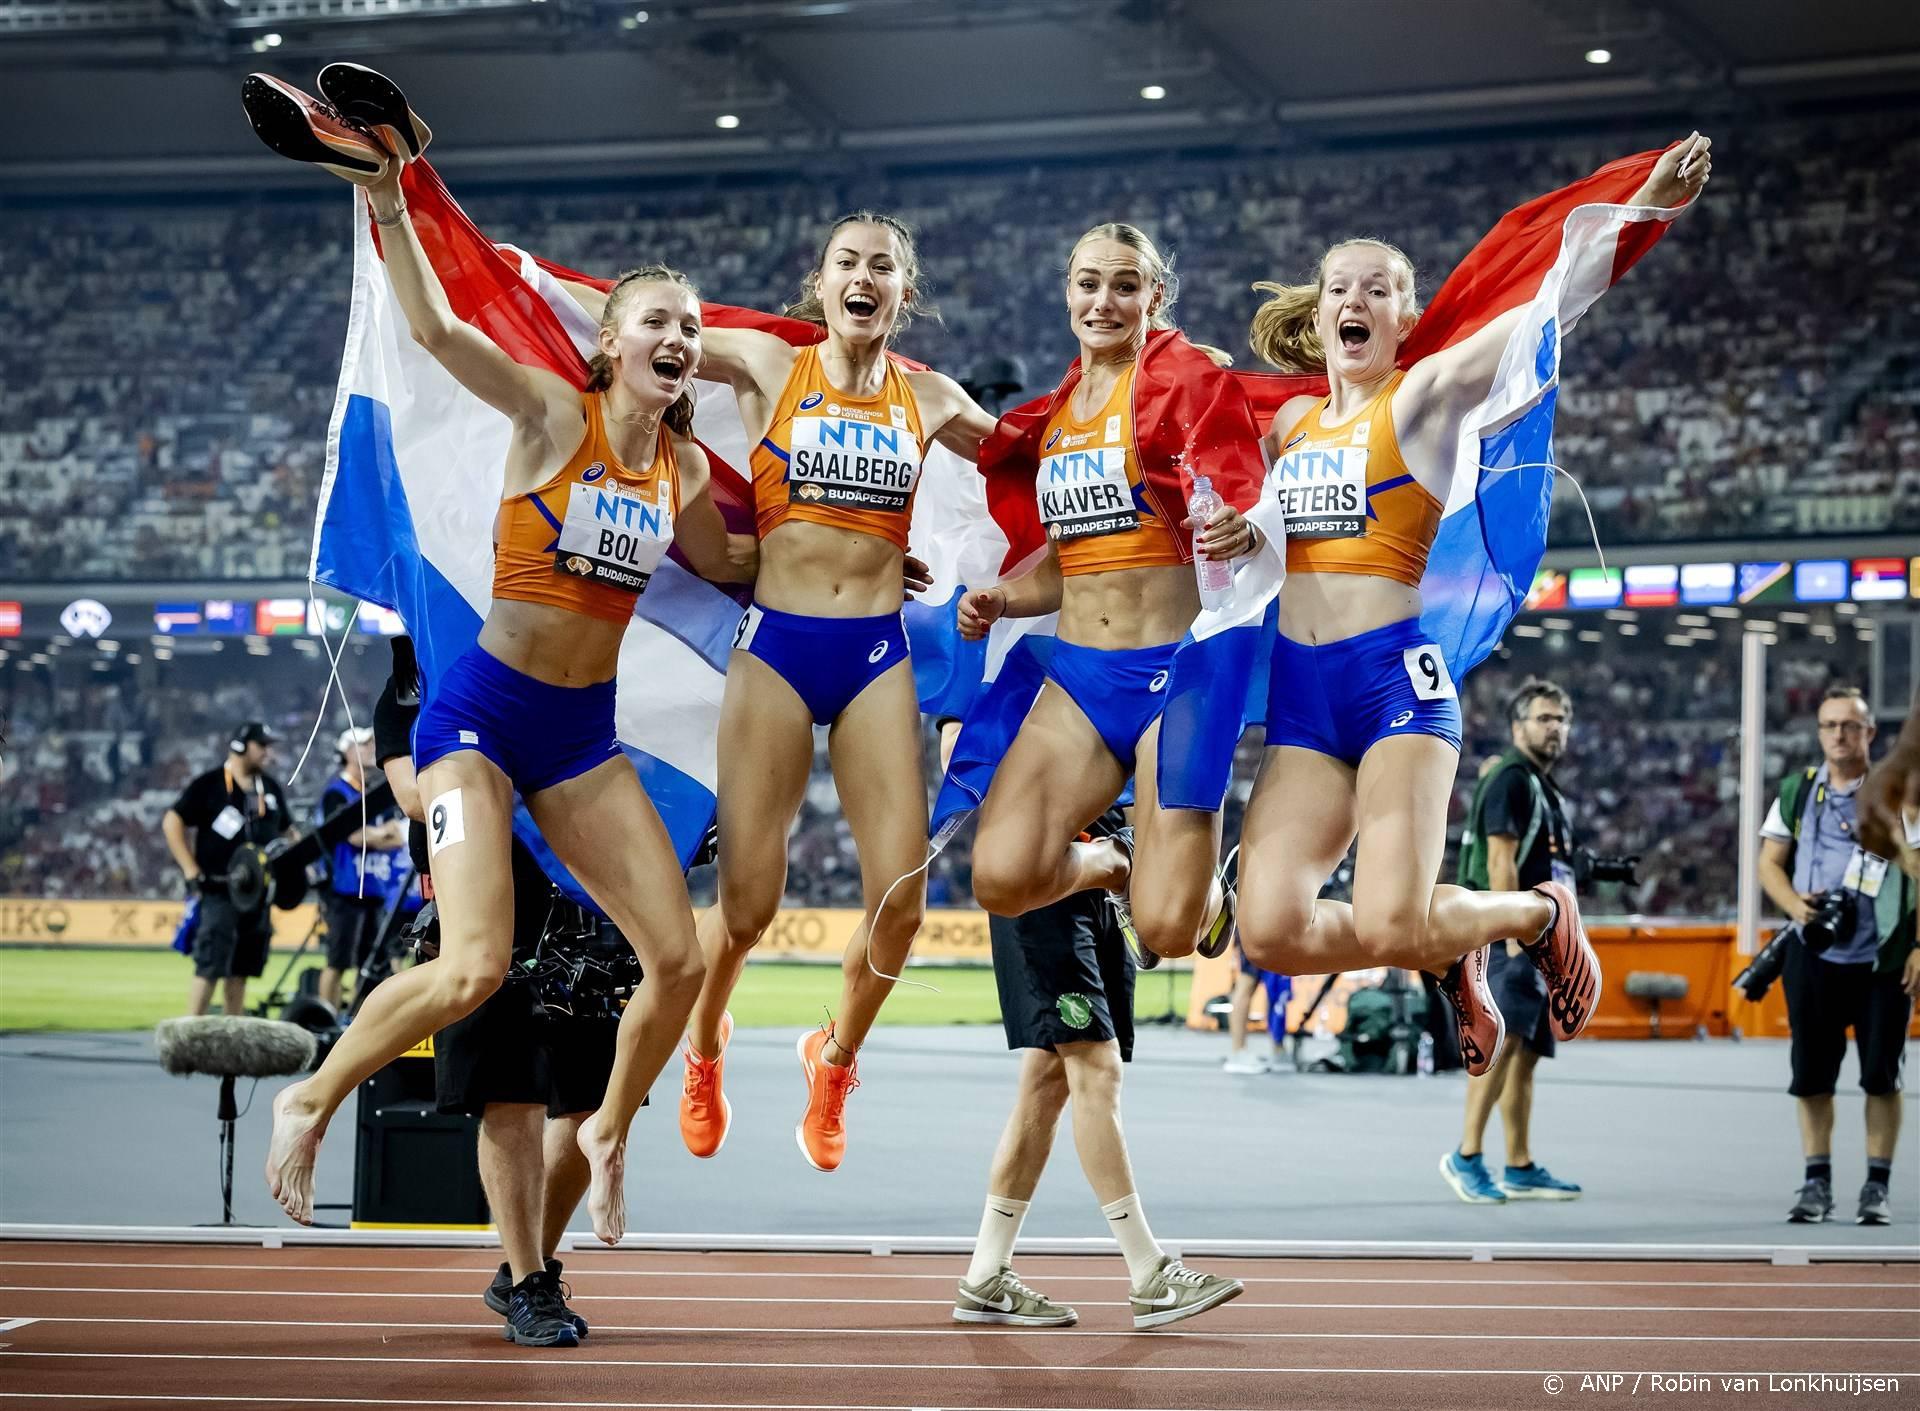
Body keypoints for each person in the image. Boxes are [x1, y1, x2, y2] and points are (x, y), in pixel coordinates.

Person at [252, 71, 747, 1240]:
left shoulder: (678, 473)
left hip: (582, 739)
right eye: (656, 322)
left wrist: (872, 564)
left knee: (676, 956)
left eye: (689, 325)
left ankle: (614, 1124)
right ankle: (311, 1096)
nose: (676, 338)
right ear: (610, 343)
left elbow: (731, 568)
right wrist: (388, 204)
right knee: (473, 967)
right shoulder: (549, 416)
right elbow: (431, 328)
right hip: (478, 722)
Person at [1232, 134, 1713, 1075]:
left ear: (1408, 316)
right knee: (1273, 930)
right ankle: (1451, 942)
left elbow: (1546, 306)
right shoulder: (1285, 423)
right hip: (1302, 700)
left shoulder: (1423, 397)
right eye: (1340, 287)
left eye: (1377, 288)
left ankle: (1535, 910)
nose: (1355, 301)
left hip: (1393, 693)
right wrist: (1233, 537)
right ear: (1319, 309)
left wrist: (1639, 210)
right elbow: (1239, 507)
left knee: (1391, 919)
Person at [569, 212, 997, 1172]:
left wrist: (1156, 406)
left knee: (904, 896)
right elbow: (651, 335)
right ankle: (706, 1042)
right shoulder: (767, 362)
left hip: (875, 656)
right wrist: (560, 304)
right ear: (821, 280)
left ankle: (833, 1057)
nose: (864, 276)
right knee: (751, 905)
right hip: (776, 648)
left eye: (882, 267)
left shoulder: (930, 399)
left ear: (903, 294)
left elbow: (1030, 459)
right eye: (847, 261)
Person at [956, 223, 1255, 967]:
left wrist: (1243, 531)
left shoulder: (1185, 388)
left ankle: (1207, 890)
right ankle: (1119, 863)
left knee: (1166, 931)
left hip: (1175, 679)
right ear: (1068, 293)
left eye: (1125, 285)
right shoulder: (1057, 418)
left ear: (1154, 296)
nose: (1105, 301)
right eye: (1089, 283)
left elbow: (1245, 493)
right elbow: (1064, 571)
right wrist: (1001, 597)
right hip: (1082, 680)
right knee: (1000, 875)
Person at [940, 713, 1241, 1330]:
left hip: (1110, 867)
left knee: (1047, 1083)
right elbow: (958, 750)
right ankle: (1148, 1272)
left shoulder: (1113, 644)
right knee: (1094, 1071)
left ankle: (984, 1275)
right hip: (1048, 870)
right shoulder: (996, 639)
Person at [373, 636, 596, 1347]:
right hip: (480, 900)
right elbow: (414, 794)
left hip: (584, 897)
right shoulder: (409, 689)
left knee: (594, 1100)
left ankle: (520, 1265)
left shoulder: (548, 659)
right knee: (510, 1092)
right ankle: (532, 1278)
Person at [1758, 686, 1917, 1227]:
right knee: (1812, 1076)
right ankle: (1816, 1182)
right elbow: (1769, 865)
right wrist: (1796, 909)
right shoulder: (1798, 791)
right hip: (1814, 953)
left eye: (1851, 725)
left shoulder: (1900, 793)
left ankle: (1876, 1187)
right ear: (1819, 732)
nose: (1839, 735)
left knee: (1881, 1077)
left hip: (1883, 958)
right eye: (1830, 726)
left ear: (1870, 733)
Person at [1441, 678, 1584, 1204]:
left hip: (1536, 938)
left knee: (1524, 1054)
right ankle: (1467, 1155)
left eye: (1561, 719)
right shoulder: (1512, 779)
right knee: (1500, 1048)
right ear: (1518, 726)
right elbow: (1501, 861)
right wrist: (1511, 941)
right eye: (1544, 718)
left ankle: (1519, 1164)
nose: (1555, 728)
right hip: (1509, 938)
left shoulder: (1541, 787)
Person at [162, 720, 293, 1018]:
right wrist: (190, 869)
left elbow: (288, 831)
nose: (268, 754)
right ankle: (190, 1036)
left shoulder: (269, 787)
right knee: (210, 966)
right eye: (263, 746)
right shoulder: (210, 784)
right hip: (220, 890)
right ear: (240, 746)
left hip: (258, 895)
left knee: (242, 970)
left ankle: (231, 1042)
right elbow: (172, 820)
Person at [315, 726, 408, 1011]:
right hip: (344, 889)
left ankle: (356, 1019)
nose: (371, 749)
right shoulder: (336, 793)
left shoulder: (372, 792)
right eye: (364, 744)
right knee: (338, 960)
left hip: (372, 887)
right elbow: (353, 835)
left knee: (369, 961)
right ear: (347, 752)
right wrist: (381, 835)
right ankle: (327, 1018)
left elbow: (395, 837)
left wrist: (373, 835)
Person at [1223, 928, 1290, 1075]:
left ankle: (1277, 1047)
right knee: (1247, 982)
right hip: (1254, 924)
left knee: (1275, 985)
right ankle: (1238, 1051)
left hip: (1276, 924)